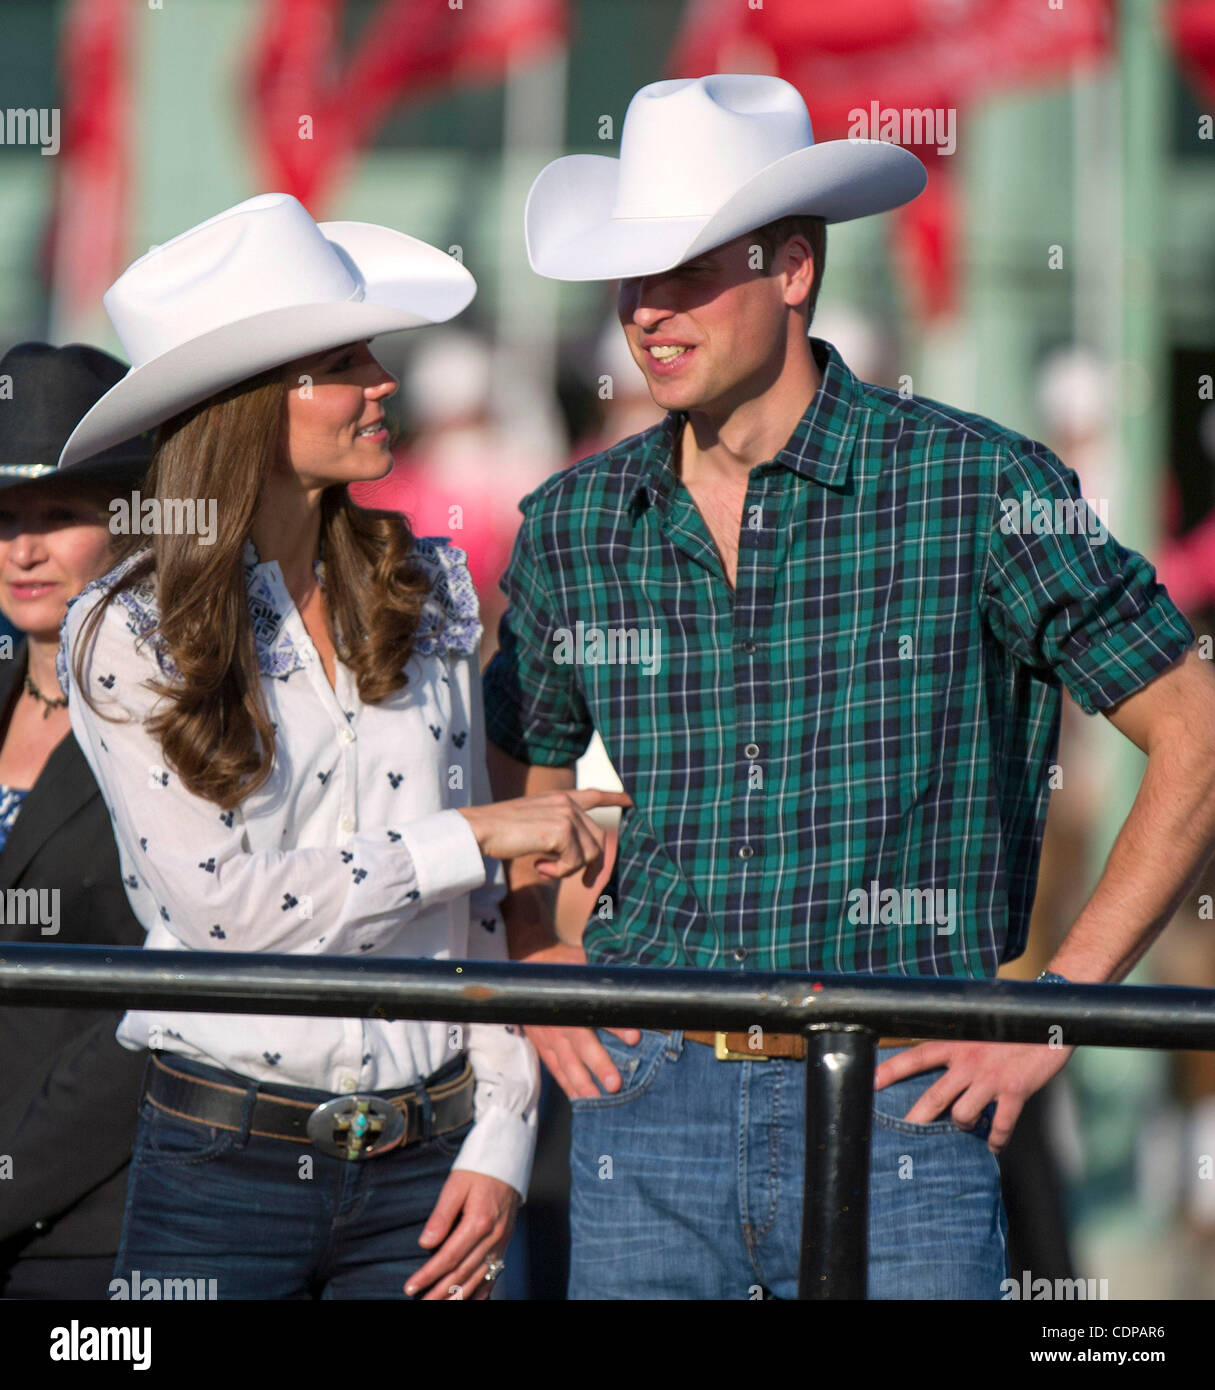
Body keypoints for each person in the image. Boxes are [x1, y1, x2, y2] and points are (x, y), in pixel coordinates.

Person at [482, 74, 1215, 1299]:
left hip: (902, 1097)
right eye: (632, 276)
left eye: (690, 271)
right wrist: (530, 959)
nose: (648, 312)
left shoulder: (972, 484)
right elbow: (518, 760)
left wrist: (1056, 1009)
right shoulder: (575, 522)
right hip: (646, 1104)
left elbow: (1191, 723)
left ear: (794, 269)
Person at [57, 192, 627, 1300]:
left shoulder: (432, 586)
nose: (385, 383)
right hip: (219, 1169)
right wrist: (471, 832)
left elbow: (477, 922)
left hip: (436, 1165)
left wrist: (503, 1138)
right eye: (343, 362)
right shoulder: (122, 629)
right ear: (245, 407)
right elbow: (224, 912)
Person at [0, 343, 155, 1300]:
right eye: (3, 519)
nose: (22, 550)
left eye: (59, 516)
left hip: (92, 1230)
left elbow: (162, 998)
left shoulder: (189, 723)